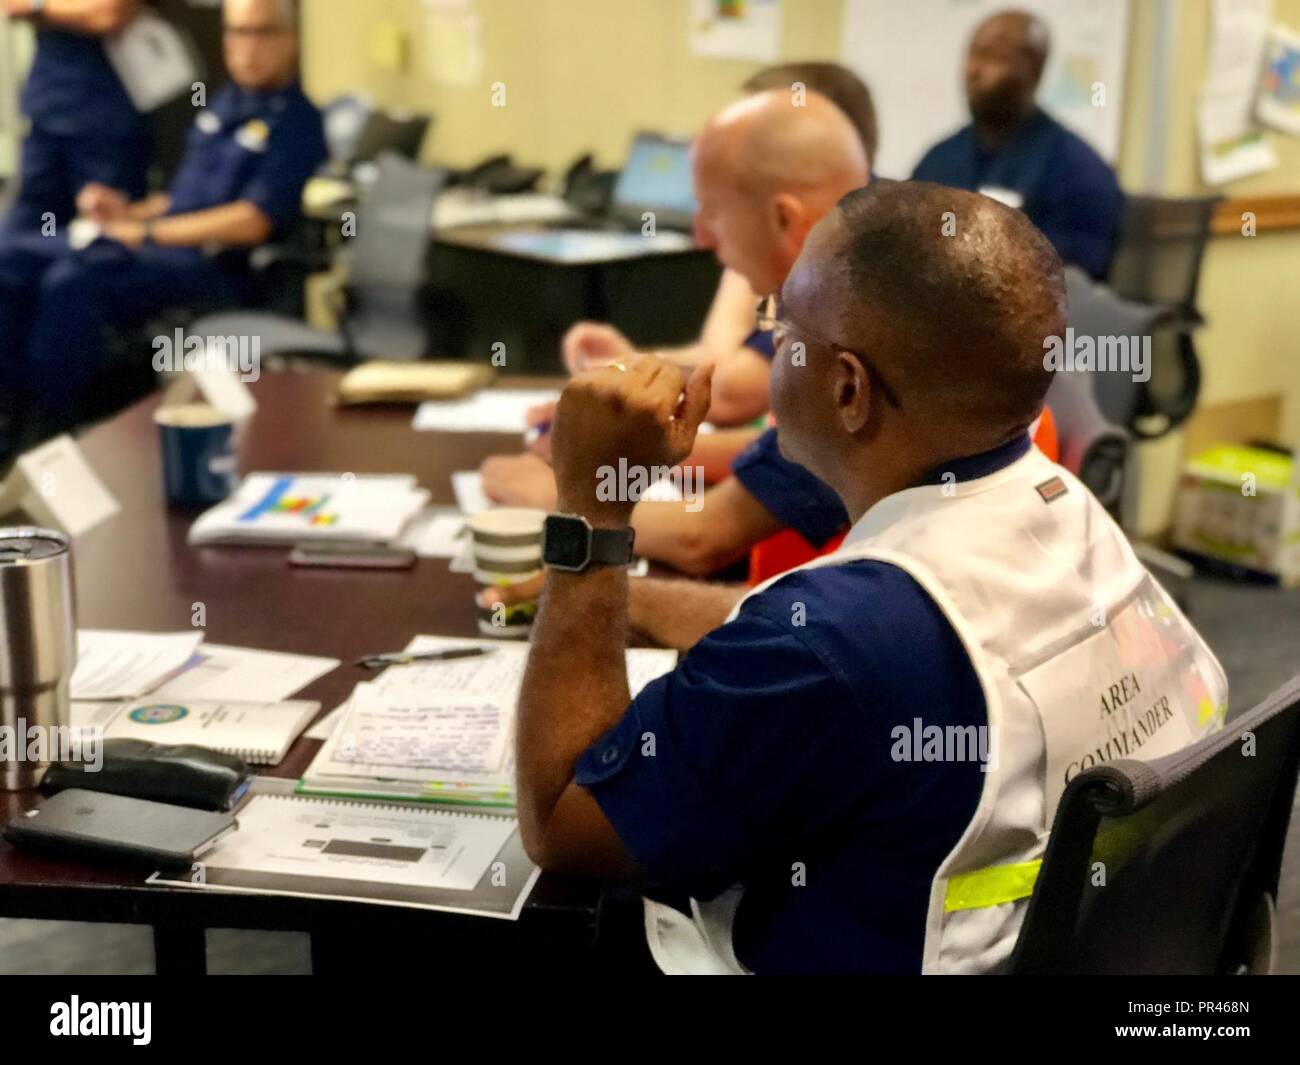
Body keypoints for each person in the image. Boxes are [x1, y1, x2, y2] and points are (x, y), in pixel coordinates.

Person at [513, 180, 1228, 974]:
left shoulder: (831, 645)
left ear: (848, 387)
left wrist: (594, 511)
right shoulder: (1067, 509)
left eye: (782, 328)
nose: (772, 342)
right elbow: (867, 652)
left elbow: (560, 823)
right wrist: (636, 602)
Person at [482, 89, 868, 582]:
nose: (702, 237)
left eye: (714, 213)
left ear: (784, 218)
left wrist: (563, 497)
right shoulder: (841, 291)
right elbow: (790, 452)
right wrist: (629, 451)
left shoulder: (853, 342)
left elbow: (701, 538)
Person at [0, 0, 326, 447]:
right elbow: (183, 200)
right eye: (236, 33)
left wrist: (147, 233)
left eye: (260, 33)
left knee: (71, 281)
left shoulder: (297, 120)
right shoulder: (223, 103)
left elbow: (252, 221)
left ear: (290, 40)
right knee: (13, 257)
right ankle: (10, 414)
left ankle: (48, 429)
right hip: (156, 244)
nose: (246, 47)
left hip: (210, 269)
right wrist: (127, 213)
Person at [911, 8, 1124, 280]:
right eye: (973, 54)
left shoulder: (1078, 171)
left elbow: (1071, 280)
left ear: (1033, 71)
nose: (974, 70)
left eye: (994, 57)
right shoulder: (940, 159)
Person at [3, 0, 153, 233]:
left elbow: (107, 15)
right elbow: (13, 6)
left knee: (107, 233)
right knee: (29, 235)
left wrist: (39, 7)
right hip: (50, 108)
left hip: (106, 115)